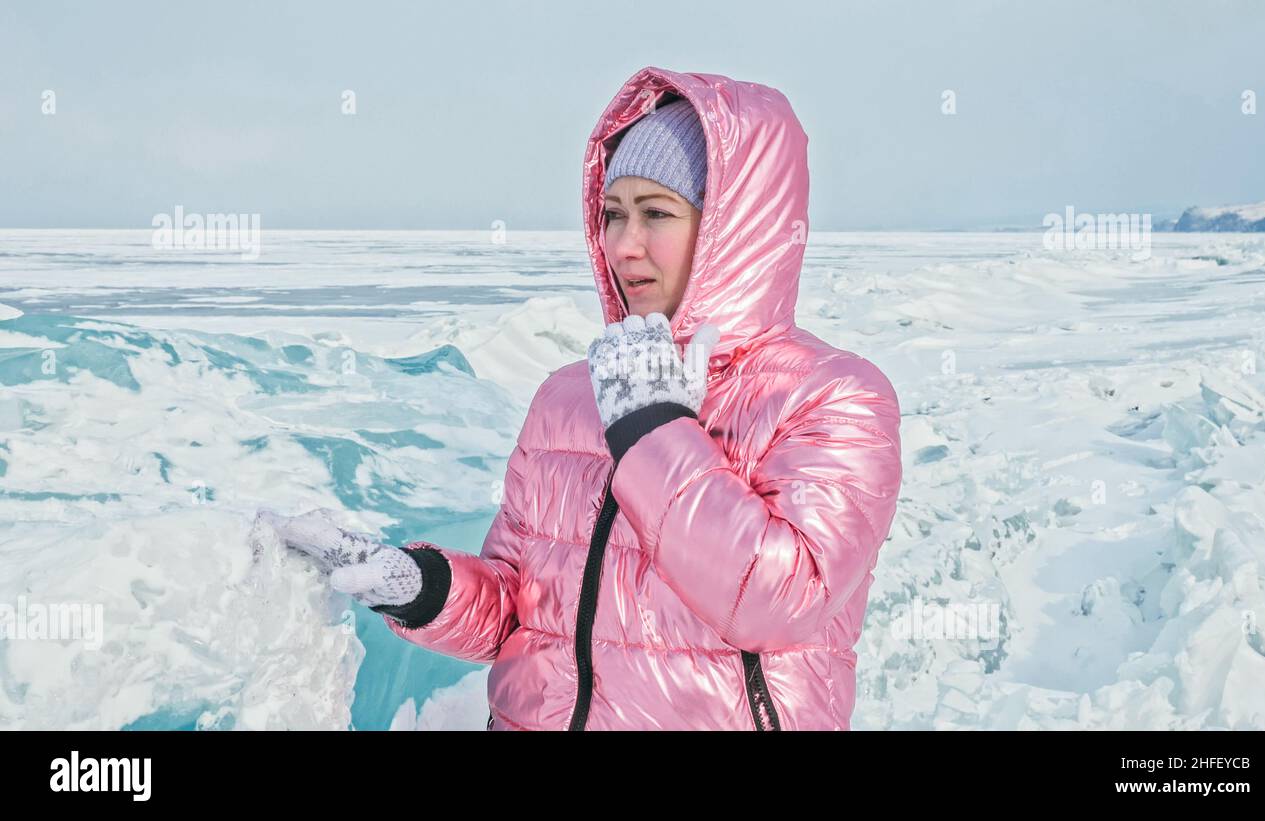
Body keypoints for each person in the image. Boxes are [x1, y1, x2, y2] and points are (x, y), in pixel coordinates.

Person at [255, 66, 903, 731]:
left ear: (731, 230)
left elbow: (777, 601)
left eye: (657, 213)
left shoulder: (833, 398)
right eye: (613, 214)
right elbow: (515, 611)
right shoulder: (571, 396)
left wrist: (654, 428)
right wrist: (414, 585)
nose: (623, 245)